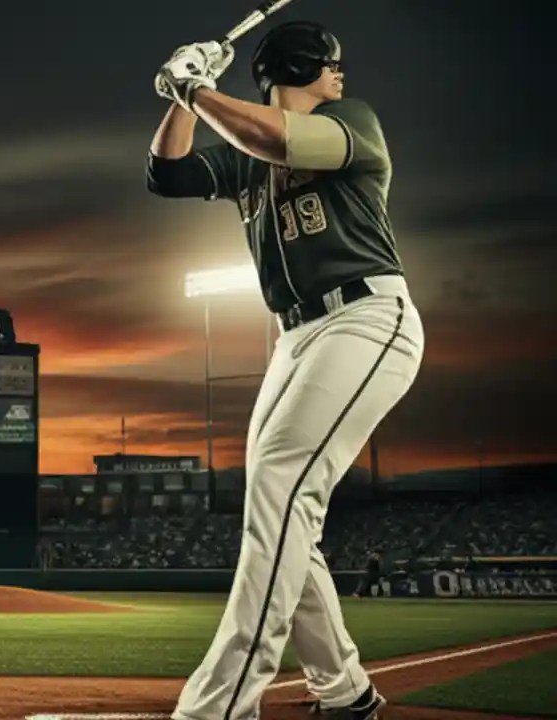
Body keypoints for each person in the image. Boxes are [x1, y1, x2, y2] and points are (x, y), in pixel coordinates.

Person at [147, 21, 425, 720]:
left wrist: (198, 87)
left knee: (279, 484)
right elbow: (168, 174)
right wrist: (183, 98)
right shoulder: (245, 155)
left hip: (366, 318)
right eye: (332, 64)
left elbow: (278, 138)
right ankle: (345, 688)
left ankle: (218, 707)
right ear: (303, 64)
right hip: (295, 335)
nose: (341, 75)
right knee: (277, 502)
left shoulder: (348, 121)